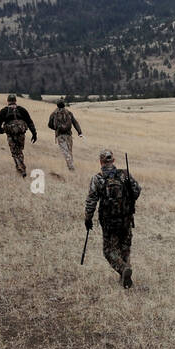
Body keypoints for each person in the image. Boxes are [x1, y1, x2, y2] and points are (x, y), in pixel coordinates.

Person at [84, 149, 142, 288]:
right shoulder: (125, 174)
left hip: (109, 222)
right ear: (113, 161)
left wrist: (88, 218)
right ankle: (126, 276)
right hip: (126, 219)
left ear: (101, 162)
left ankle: (123, 270)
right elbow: (137, 191)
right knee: (125, 248)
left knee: (109, 250)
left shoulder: (98, 178)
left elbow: (91, 200)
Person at [0, 94, 37, 177]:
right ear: (15, 101)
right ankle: (20, 168)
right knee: (19, 151)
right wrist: (34, 133)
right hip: (21, 134)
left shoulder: (4, 111)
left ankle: (21, 168)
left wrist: (1, 130)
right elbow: (29, 122)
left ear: (8, 101)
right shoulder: (22, 110)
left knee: (14, 151)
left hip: (10, 134)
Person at [47, 100, 83, 171]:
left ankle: (71, 167)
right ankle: (71, 166)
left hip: (60, 135)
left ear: (57, 105)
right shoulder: (69, 113)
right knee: (69, 152)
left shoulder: (54, 113)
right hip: (68, 135)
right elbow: (75, 122)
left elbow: (49, 125)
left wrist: (56, 128)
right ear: (64, 105)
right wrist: (79, 132)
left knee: (65, 152)